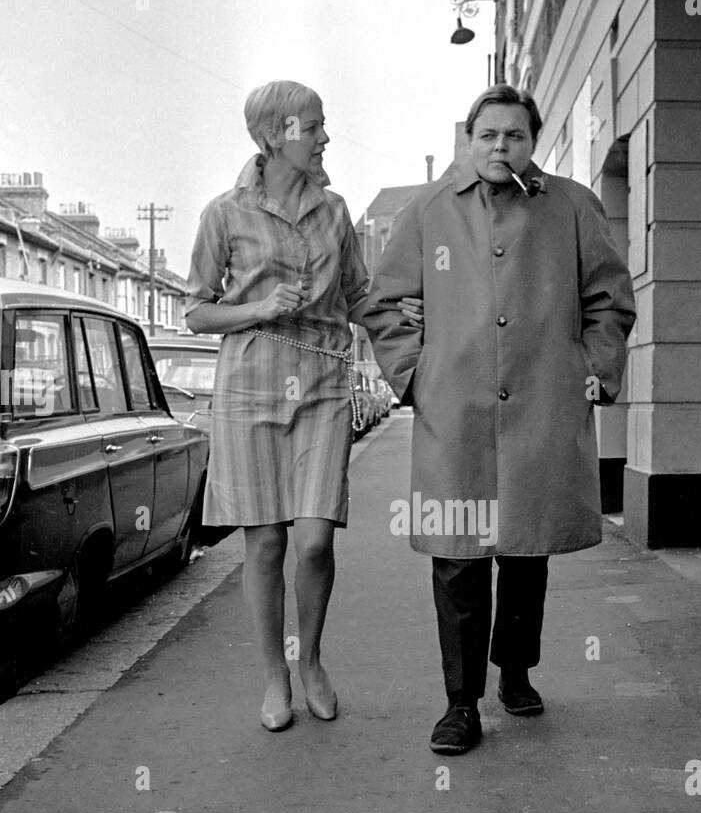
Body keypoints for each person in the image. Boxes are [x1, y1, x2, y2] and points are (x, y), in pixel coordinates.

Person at [362, 84, 637, 755]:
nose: (500, 147)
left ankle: (514, 670)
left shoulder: (571, 205)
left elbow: (610, 299)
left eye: (514, 136)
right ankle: (460, 703)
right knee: (457, 557)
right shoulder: (426, 211)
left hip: (543, 400)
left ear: (531, 142)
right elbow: (386, 305)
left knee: (523, 548)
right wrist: (415, 376)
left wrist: (592, 369)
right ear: (468, 138)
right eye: (488, 135)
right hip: (454, 410)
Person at [185, 80, 418, 731]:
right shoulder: (223, 215)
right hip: (251, 380)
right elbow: (198, 308)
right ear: (272, 138)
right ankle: (274, 677)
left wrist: (414, 353)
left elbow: (361, 297)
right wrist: (257, 306)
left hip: (319, 377)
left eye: (322, 125)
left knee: (313, 540)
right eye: (311, 126)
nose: (323, 137)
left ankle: (310, 660)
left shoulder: (335, 210)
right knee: (263, 544)